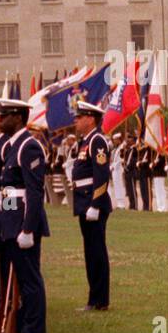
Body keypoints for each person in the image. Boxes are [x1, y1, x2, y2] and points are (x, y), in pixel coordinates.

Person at [0, 93, 49, 333]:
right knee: (22, 277)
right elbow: (9, 191)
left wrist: (27, 228)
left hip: (24, 225)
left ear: (17, 118)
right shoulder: (12, 146)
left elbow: (34, 192)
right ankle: (25, 328)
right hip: (13, 222)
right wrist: (6, 217)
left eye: (4, 115)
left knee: (30, 280)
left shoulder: (28, 146)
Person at [71, 101, 112, 311]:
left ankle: (100, 300)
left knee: (96, 252)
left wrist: (96, 204)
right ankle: (94, 298)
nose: (76, 121)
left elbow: (102, 173)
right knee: (90, 252)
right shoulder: (85, 142)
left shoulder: (97, 140)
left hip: (92, 203)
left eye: (79, 117)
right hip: (83, 201)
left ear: (90, 119)